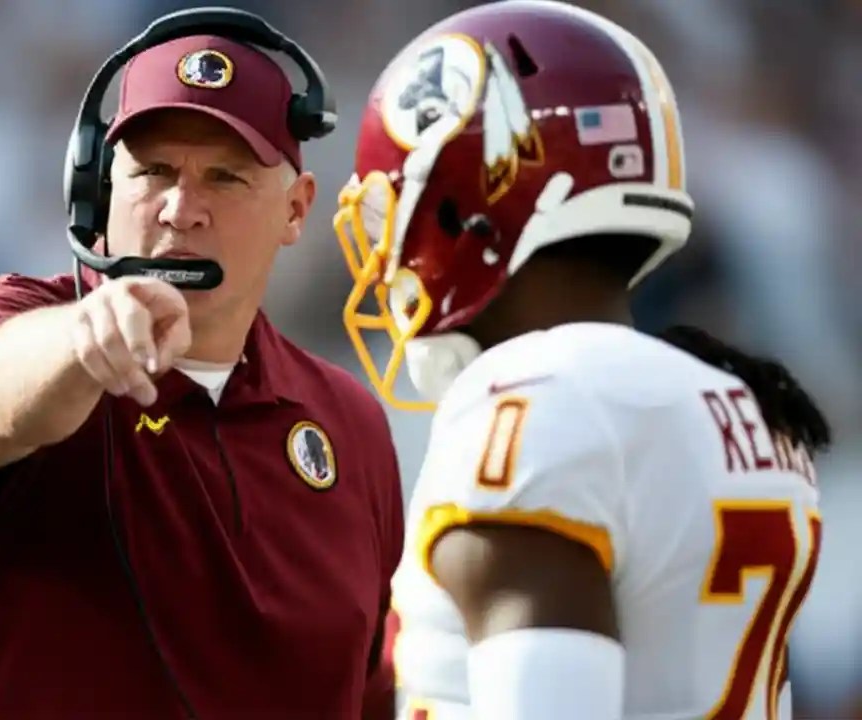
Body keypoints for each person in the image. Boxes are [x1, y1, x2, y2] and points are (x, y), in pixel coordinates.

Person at [0, 10, 404, 720]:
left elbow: (371, 693)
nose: (180, 209)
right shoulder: (8, 328)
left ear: (296, 211)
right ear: (94, 192)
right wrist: (80, 347)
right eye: (154, 170)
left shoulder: (350, 425)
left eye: (225, 177)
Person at [333, 2, 832, 719]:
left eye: (393, 218)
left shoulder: (534, 397)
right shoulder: (738, 397)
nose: (387, 262)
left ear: (465, 207)